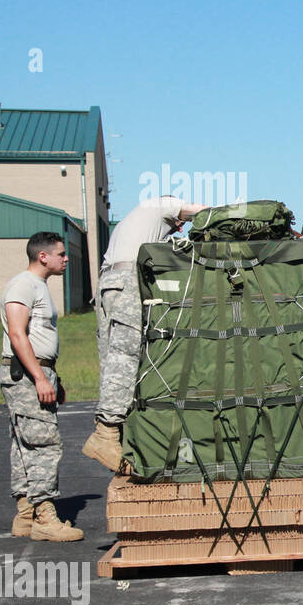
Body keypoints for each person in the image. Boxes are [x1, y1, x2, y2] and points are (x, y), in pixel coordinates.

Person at [82, 196, 208, 471]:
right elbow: (201, 213)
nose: (178, 229)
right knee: (126, 356)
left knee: (112, 358)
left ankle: (116, 432)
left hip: (110, 283)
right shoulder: (161, 204)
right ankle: (106, 432)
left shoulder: (139, 226)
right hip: (127, 281)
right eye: (178, 224)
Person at [1, 233, 82, 541]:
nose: (66, 258)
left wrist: (51, 377)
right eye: (61, 254)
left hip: (35, 370)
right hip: (26, 374)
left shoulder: (37, 286)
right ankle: (45, 518)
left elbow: (37, 339)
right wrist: (39, 377)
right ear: (43, 257)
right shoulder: (23, 284)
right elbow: (18, 335)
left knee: (25, 443)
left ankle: (25, 514)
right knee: (43, 444)